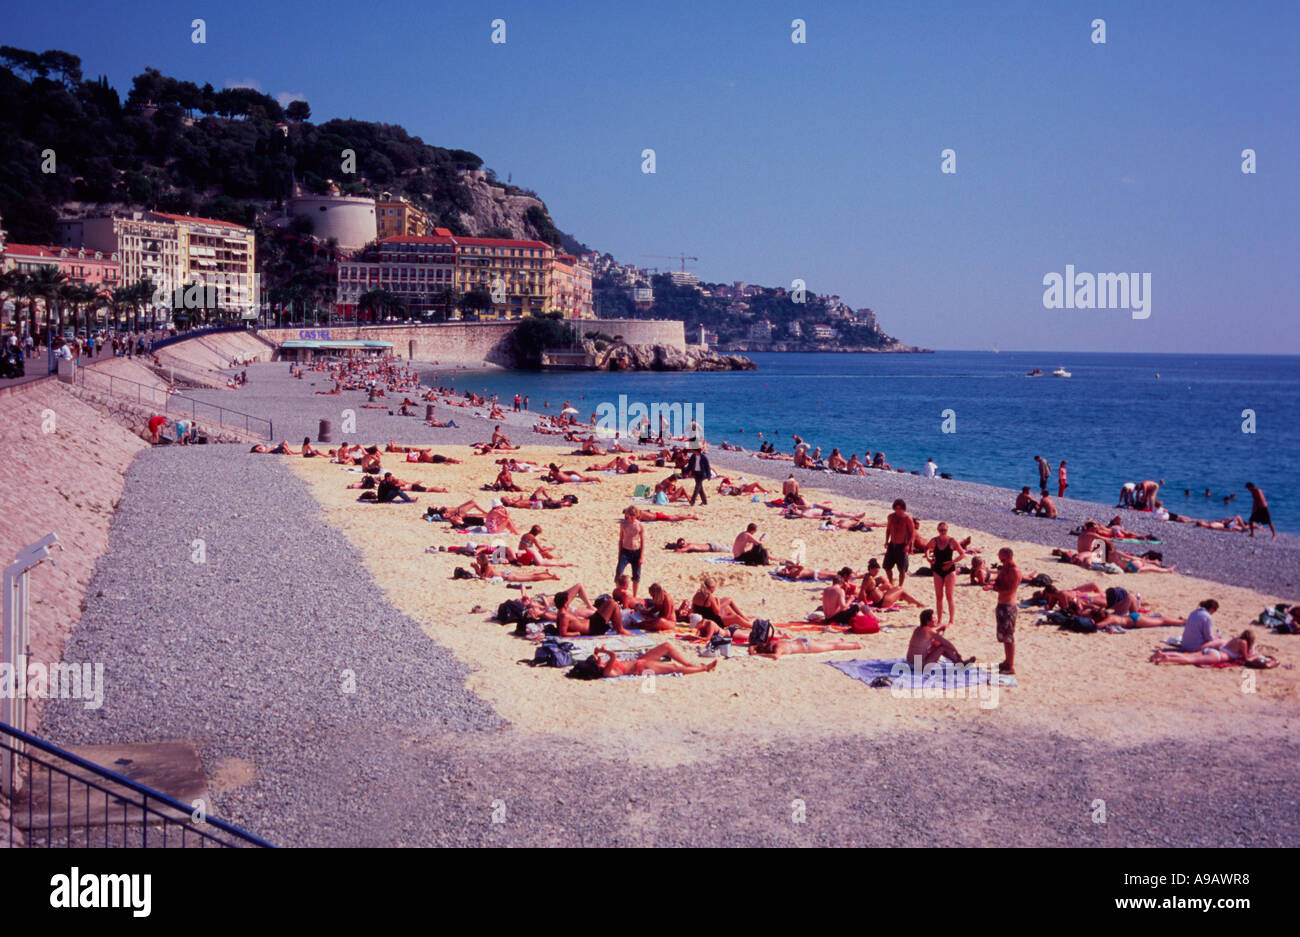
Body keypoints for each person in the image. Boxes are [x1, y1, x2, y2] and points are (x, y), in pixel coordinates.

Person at [985, 547, 1020, 674]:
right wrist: (992, 583)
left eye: (1003, 560)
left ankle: (1010, 666)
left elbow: (1009, 589)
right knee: (1004, 636)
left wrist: (993, 588)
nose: (1001, 562)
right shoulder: (1005, 568)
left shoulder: (1014, 571)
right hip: (1002, 604)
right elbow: (999, 581)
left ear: (1010, 557)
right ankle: (1007, 662)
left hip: (1008, 606)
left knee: (1009, 636)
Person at [924, 522, 965, 627]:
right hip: (937, 569)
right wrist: (928, 558)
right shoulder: (935, 540)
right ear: (938, 530)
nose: (942, 532)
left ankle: (951, 621)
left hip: (949, 570)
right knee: (939, 596)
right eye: (940, 530)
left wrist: (952, 562)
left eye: (944, 530)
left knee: (949, 596)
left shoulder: (952, 541)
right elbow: (927, 548)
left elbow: (963, 554)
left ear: (947, 530)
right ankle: (939, 620)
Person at [592, 643, 717, 677]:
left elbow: (598, 656)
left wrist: (597, 652)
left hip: (641, 661)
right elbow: (613, 655)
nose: (598, 659)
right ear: (595, 666)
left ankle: (689, 664)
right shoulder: (606, 671)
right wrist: (603, 651)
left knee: (667, 646)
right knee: (674, 668)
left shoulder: (603, 664)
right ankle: (705, 668)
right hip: (643, 668)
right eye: (596, 660)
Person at [1150, 629, 1262, 666]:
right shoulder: (1244, 643)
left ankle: (1164, 654)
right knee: (1190, 660)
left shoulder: (1235, 639)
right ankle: (1168, 658)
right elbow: (1246, 658)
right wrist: (1256, 655)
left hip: (1213, 651)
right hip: (1217, 656)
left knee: (1188, 655)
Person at [907, 609, 974, 667]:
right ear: (928, 622)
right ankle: (960, 663)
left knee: (936, 644)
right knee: (943, 647)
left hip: (910, 662)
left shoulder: (917, 629)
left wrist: (939, 630)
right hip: (920, 666)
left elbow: (929, 636)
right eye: (934, 618)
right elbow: (947, 643)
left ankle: (958, 662)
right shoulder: (930, 632)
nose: (936, 619)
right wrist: (957, 653)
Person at [883, 499, 916, 586]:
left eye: (900, 508)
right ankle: (891, 583)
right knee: (887, 567)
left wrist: (908, 545)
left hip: (902, 545)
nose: (898, 510)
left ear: (903, 508)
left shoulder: (907, 518)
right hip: (892, 544)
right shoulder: (891, 517)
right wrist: (886, 541)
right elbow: (888, 529)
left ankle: (900, 586)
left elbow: (912, 533)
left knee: (902, 569)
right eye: (896, 508)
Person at [616, 506, 645, 599]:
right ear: (627, 514)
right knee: (618, 574)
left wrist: (641, 556)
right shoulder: (623, 524)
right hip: (625, 551)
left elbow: (643, 541)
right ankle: (618, 594)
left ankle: (635, 596)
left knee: (636, 576)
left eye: (634, 515)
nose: (632, 517)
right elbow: (620, 539)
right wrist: (619, 553)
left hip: (636, 551)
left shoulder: (640, 525)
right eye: (631, 515)